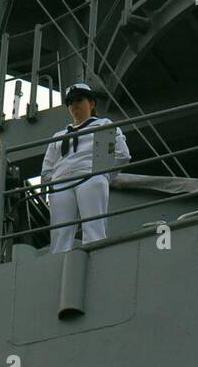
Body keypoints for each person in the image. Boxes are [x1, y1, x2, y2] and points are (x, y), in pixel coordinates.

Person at [41, 84, 131, 252]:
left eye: (79, 99)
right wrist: (51, 186)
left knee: (93, 228)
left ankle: (97, 259)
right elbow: (47, 170)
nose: (74, 104)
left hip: (89, 177)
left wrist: (102, 175)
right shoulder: (59, 136)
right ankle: (60, 267)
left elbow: (121, 154)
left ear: (91, 103)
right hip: (61, 183)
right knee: (60, 234)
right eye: (70, 102)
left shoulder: (102, 125)